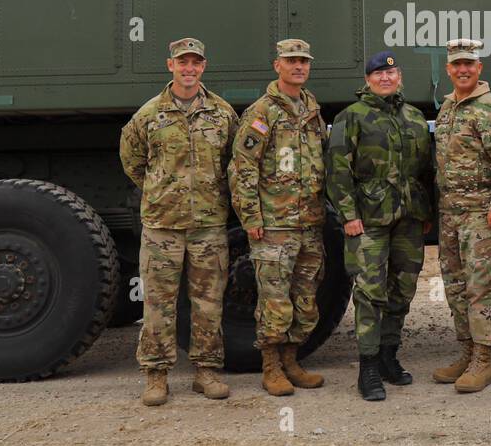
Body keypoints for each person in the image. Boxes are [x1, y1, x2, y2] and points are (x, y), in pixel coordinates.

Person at [119, 37, 239, 406]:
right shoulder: (150, 114)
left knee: (208, 302)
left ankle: (206, 371)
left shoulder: (221, 113)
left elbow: (234, 162)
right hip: (162, 226)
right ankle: (156, 376)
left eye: (195, 63)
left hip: (207, 224)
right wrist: (159, 189)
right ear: (170, 66)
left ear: (203, 66)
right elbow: (132, 158)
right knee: (158, 303)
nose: (189, 68)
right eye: (182, 62)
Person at [327, 51, 433, 402]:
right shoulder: (351, 117)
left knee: (402, 290)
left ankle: (389, 356)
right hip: (368, 220)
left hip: (409, 218)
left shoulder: (414, 117)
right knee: (371, 293)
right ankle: (368, 367)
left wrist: (426, 209)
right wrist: (348, 215)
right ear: (368, 79)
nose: (385, 79)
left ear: (399, 77)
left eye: (391, 73)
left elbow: (426, 169)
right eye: (378, 74)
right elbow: (337, 172)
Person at [229, 38, 328, 396]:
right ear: (277, 66)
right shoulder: (262, 112)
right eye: (291, 61)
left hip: (309, 223)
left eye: (303, 61)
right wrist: (251, 216)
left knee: (305, 298)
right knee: (274, 298)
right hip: (274, 225)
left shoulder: (312, 110)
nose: (298, 66)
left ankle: (291, 361)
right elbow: (242, 169)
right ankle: (271, 366)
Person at [432, 38, 491, 393]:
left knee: (480, 288)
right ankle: (467, 352)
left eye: (469, 64)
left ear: (479, 68)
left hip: (482, 216)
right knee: (455, 286)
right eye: (457, 64)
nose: (463, 69)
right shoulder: (448, 109)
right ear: (449, 69)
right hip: (451, 214)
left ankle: (483, 361)